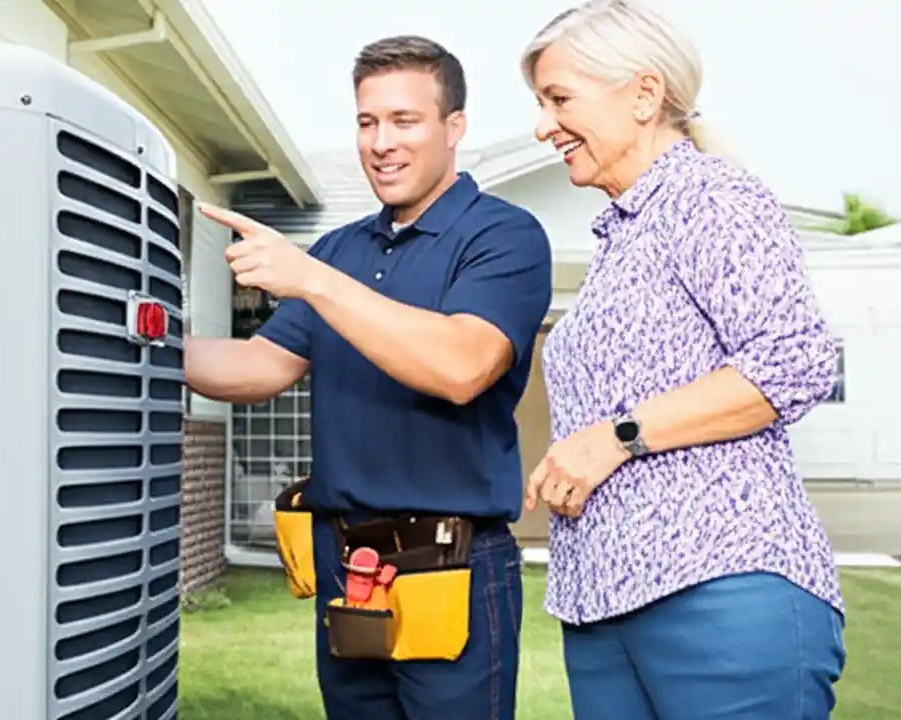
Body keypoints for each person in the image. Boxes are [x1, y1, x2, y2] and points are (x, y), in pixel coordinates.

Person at [185, 35, 552, 720]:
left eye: (404, 121)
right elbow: (260, 366)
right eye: (366, 121)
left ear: (455, 129)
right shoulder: (341, 249)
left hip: (451, 567)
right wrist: (142, 341)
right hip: (349, 569)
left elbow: (463, 366)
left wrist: (314, 281)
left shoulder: (502, 236)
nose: (381, 142)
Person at [518, 1, 848, 718]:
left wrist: (615, 437)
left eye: (559, 99)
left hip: (718, 590)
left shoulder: (709, 195)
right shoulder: (624, 236)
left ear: (644, 93)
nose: (543, 125)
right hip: (605, 603)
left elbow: (794, 359)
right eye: (540, 104)